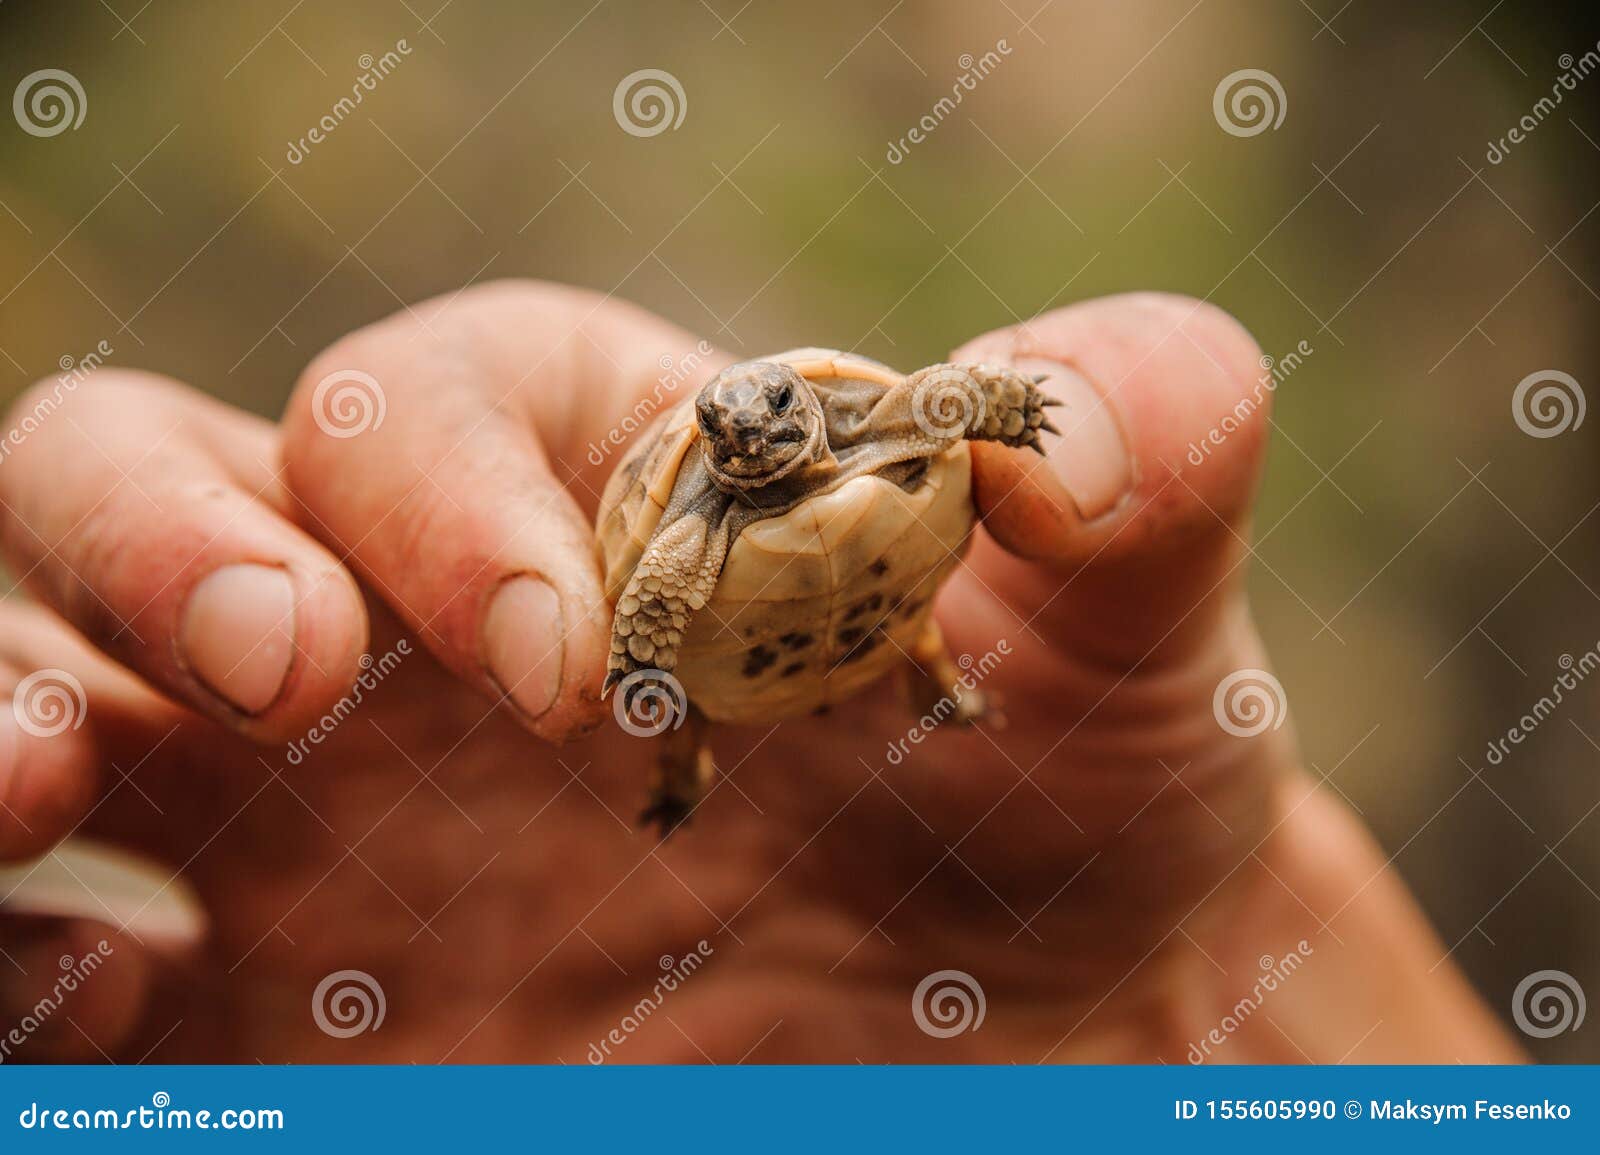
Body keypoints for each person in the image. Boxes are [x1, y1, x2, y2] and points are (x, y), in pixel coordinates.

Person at [0, 281, 1520, 1062]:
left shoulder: (888, 425)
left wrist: (1192, 1016)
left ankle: (917, 681)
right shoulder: (686, 536)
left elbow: (948, 408)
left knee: (922, 639)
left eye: (775, 421)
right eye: (737, 434)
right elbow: (654, 623)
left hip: (887, 622)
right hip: (738, 665)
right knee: (681, 682)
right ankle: (690, 764)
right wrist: (624, 703)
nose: (758, 438)